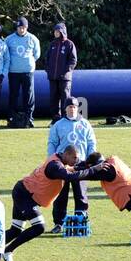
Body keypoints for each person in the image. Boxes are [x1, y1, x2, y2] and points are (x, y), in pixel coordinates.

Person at [1, 146, 102, 261]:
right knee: (39, 227)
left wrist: (89, 167)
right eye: (74, 157)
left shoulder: (60, 162)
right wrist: (94, 169)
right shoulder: (55, 166)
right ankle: (8, 251)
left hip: (23, 191)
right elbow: (70, 176)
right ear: (66, 154)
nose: (76, 160)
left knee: (16, 230)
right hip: (25, 195)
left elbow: (73, 169)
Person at [47, 96, 96, 231]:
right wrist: (51, 159)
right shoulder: (58, 125)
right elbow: (52, 143)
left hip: (80, 162)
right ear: (65, 109)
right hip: (61, 162)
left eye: (74, 107)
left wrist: (90, 160)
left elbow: (91, 143)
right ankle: (59, 223)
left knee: (80, 193)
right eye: (70, 107)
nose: (72, 109)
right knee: (60, 194)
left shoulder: (85, 124)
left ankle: (81, 221)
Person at [4, 17, 42, 128]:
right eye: (20, 27)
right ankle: (11, 118)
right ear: (17, 28)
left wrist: (29, 63)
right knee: (13, 96)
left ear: (26, 28)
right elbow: (6, 54)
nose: (21, 30)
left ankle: (29, 118)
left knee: (29, 96)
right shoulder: (9, 39)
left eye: (23, 27)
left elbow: (37, 54)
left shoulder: (33, 38)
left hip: (27, 71)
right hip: (14, 72)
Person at [45, 22, 77, 123]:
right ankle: (55, 119)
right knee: (53, 99)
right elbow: (47, 59)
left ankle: (65, 118)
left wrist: (65, 72)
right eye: (55, 31)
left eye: (57, 31)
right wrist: (48, 70)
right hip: (53, 78)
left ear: (62, 31)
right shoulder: (52, 44)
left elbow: (73, 60)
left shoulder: (69, 44)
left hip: (65, 78)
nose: (55, 33)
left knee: (65, 98)